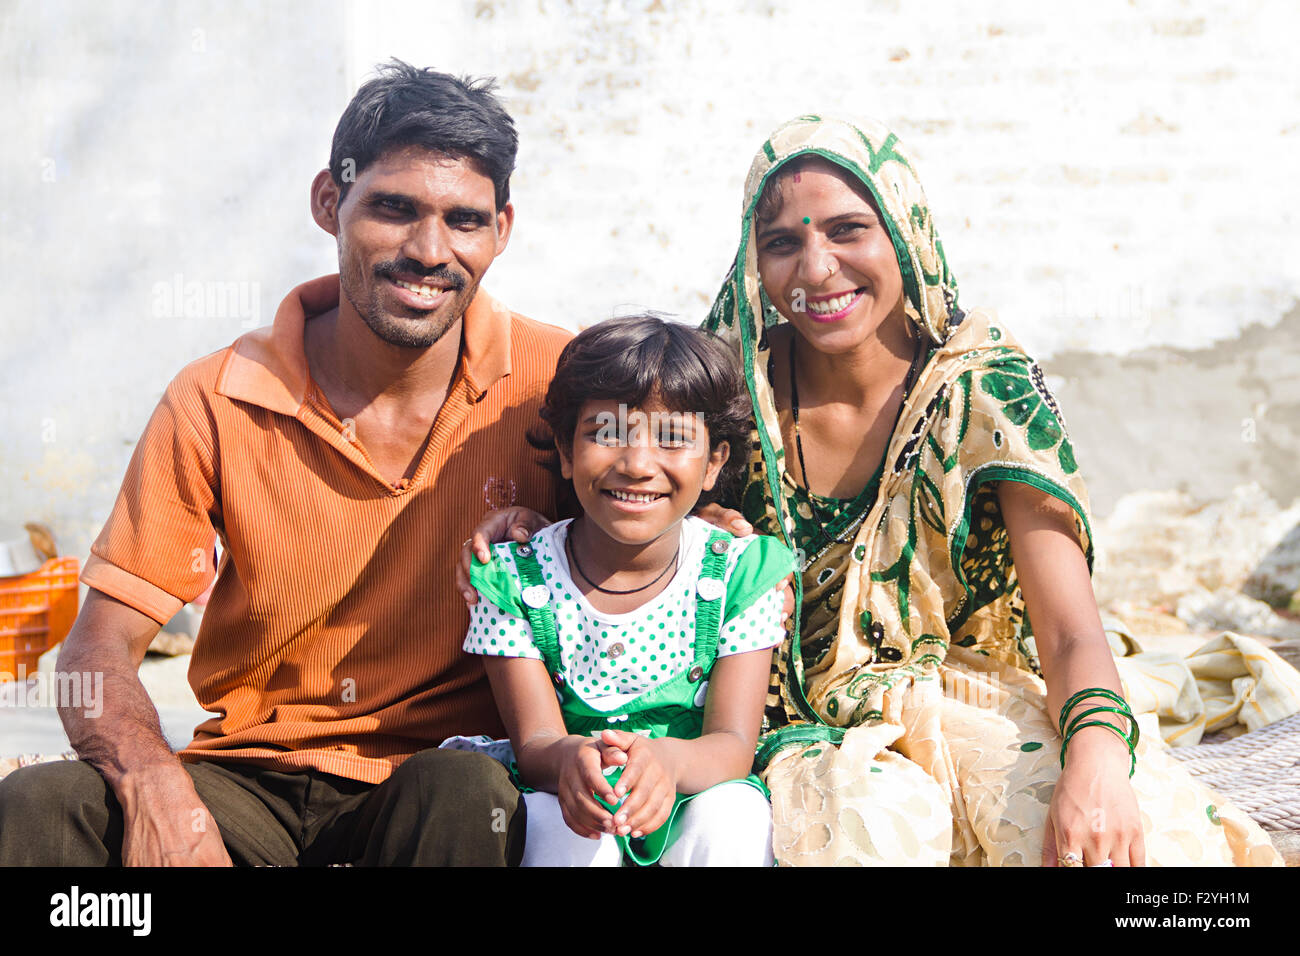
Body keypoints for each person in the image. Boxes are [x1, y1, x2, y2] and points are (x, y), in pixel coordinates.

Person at [461, 115, 1286, 866]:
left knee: (1138, 849)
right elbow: (636, 508)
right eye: (782, 242)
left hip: (960, 691)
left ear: (906, 233)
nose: (816, 269)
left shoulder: (978, 391)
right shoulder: (731, 388)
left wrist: (1099, 762)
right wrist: (538, 521)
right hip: (780, 728)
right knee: (860, 841)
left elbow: (1069, 632)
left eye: (850, 230)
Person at [0, 61, 573, 866]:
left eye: (464, 220)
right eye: (394, 209)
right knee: (40, 805)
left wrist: (694, 528)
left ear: (502, 230)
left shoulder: (558, 386)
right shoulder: (219, 396)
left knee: (467, 792)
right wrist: (157, 791)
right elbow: (94, 650)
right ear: (328, 203)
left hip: (437, 777)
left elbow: (663, 520)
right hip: (243, 780)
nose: (429, 250)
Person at [458, 316, 791, 866]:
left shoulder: (739, 572)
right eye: (605, 433)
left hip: (692, 788)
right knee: (558, 827)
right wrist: (572, 759)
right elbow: (536, 741)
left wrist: (668, 764)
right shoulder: (512, 578)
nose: (637, 465)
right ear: (565, 451)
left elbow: (732, 744)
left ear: (714, 464)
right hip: (571, 796)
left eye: (673, 439)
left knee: (733, 814)